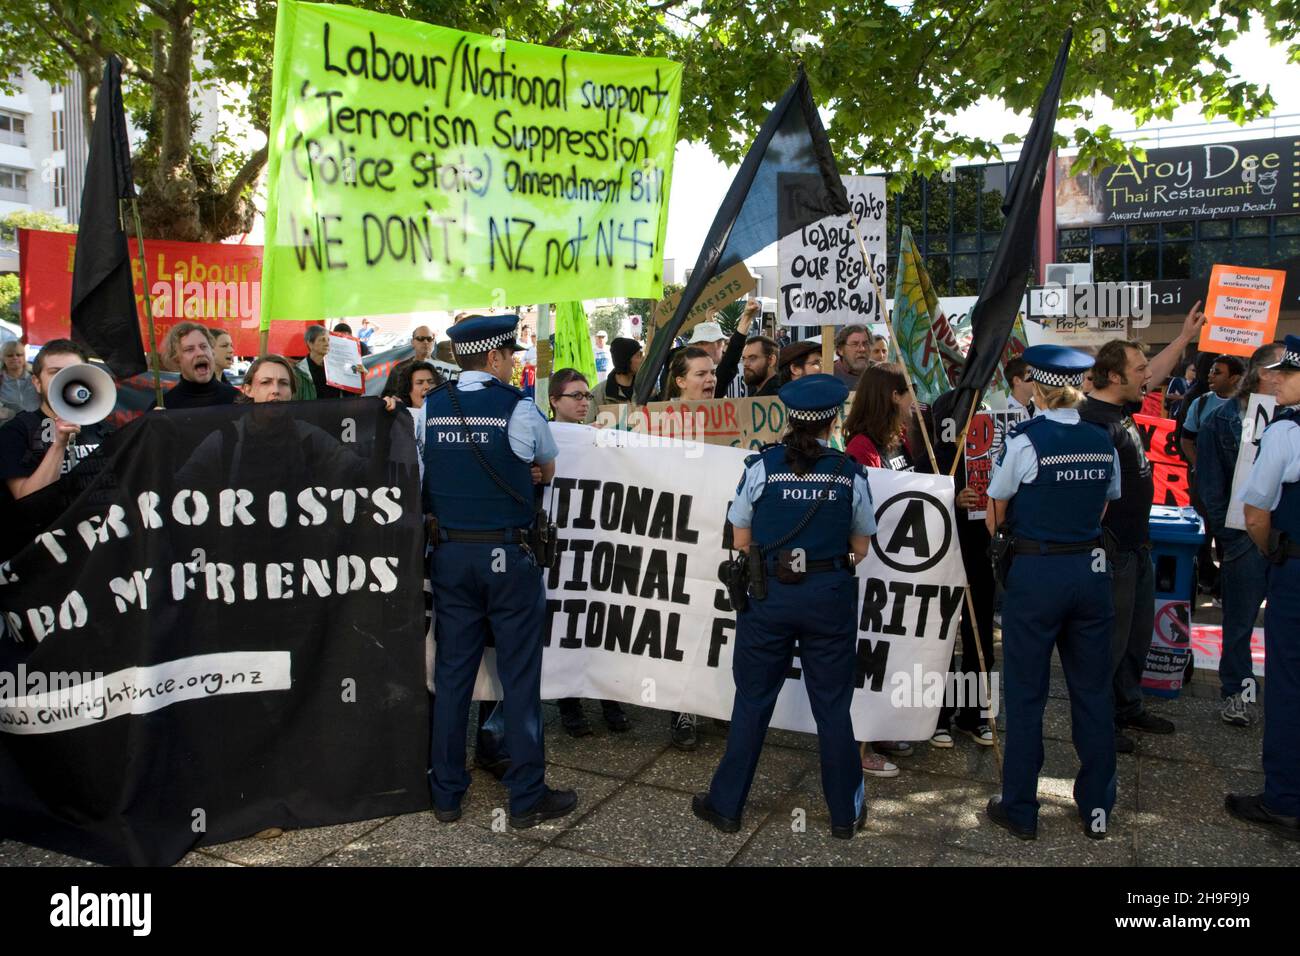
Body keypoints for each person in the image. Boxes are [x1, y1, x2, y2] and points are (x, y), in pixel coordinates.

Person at [693, 374, 874, 839]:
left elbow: (739, 539)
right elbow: (862, 548)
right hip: (828, 598)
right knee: (833, 707)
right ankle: (844, 814)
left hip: (769, 595)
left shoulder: (762, 466)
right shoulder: (849, 471)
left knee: (752, 700)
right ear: (832, 419)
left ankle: (727, 806)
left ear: (789, 418)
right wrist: (831, 567)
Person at [425, 314, 577, 829]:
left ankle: (445, 794)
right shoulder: (518, 408)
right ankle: (525, 796)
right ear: (493, 359)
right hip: (509, 560)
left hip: (449, 557)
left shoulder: (431, 407)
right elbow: (547, 468)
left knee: (451, 678)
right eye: (510, 356)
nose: (513, 363)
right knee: (519, 677)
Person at [984, 345, 1123, 841]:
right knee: (1092, 693)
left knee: (1026, 695)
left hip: (1037, 573)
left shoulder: (1025, 440)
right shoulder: (1102, 439)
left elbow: (996, 507)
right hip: (1089, 570)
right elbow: (1105, 505)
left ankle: (1020, 808)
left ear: (1038, 390)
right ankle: (1098, 810)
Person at [1080, 302, 1206, 753]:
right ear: (1114, 377)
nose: (1145, 377)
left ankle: (1127, 707)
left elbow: (1153, 369)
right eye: (1136, 371)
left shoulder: (1122, 407)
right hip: (1112, 548)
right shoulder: (1094, 422)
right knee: (1109, 643)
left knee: (1136, 635)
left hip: (1136, 544)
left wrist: (1185, 339)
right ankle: (1101, 724)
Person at [1230, 334, 1300, 841]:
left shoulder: (1285, 432)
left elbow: (1256, 513)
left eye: (1271, 375)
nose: (1263, 383)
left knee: (1289, 684)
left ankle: (1284, 800)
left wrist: (1272, 549)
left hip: (1294, 570)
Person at [1196, 343, 1284, 727]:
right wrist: (1230, 537)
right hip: (1243, 541)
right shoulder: (1221, 421)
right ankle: (1238, 694)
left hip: (1285, 538)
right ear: (1267, 374)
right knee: (1240, 626)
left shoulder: (1290, 420)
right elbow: (1210, 487)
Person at [842, 362, 920, 774]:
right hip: (872, 567)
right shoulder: (861, 447)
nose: (913, 401)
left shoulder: (900, 439)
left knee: (888, 652)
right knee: (868, 655)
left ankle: (879, 727)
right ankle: (859, 746)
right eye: (907, 392)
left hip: (897, 565)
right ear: (893, 397)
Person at [547, 368, 632, 736]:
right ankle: (569, 705)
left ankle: (608, 698)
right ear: (554, 401)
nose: (584, 402)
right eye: (575, 396)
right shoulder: (543, 437)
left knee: (601, 621)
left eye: (586, 395)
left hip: (597, 544)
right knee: (565, 623)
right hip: (560, 547)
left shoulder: (601, 436)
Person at [0, 339, 112, 500]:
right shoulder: (15, 432)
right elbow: (28, 501)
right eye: (56, 372)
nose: (66, 378)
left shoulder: (105, 430)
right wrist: (59, 444)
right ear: (37, 383)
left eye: (74, 371)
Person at [1180, 354, 1245, 466]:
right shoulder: (1200, 402)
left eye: (1216, 372)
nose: (1210, 375)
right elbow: (1186, 440)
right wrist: (1199, 467)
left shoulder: (1248, 405)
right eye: (1210, 371)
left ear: (1234, 378)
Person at [162, 322, 239, 409]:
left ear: (212, 352)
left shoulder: (237, 400)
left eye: (203, 347)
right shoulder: (165, 406)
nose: (200, 353)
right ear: (176, 359)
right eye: (189, 349)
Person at [690, 300, 758, 398]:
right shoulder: (687, 366)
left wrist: (746, 318)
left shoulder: (726, 368)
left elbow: (732, 353)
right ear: (681, 382)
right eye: (697, 343)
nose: (698, 348)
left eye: (703, 343)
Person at [586, 337, 642, 421]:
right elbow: (589, 428)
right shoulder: (598, 394)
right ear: (626, 359)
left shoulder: (647, 389)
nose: (642, 360)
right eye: (638, 356)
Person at [383, 326, 437, 398]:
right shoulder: (399, 369)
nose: (426, 342)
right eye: (420, 338)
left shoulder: (445, 369)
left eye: (429, 339)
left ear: (433, 341)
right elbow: (387, 397)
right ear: (412, 342)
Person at [0, 340, 39, 424]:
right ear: (2, 358)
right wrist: (10, 413)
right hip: (7, 428)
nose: (15, 358)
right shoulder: (1, 379)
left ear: (24, 357)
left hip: (36, 427)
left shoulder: (36, 377)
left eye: (19, 355)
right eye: (10, 355)